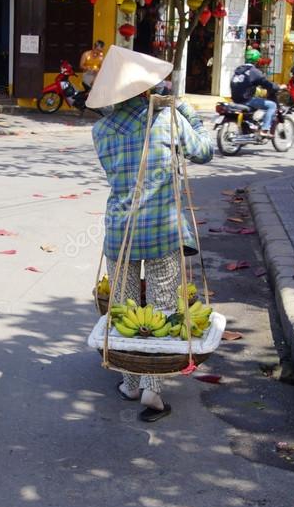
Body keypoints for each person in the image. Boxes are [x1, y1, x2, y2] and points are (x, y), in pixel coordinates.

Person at [87, 46, 213, 423]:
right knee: (161, 308)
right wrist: (182, 109)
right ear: (147, 88)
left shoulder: (101, 129)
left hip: (120, 232)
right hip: (161, 229)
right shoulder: (166, 121)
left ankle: (128, 382)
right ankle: (151, 389)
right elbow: (204, 151)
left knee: (124, 308)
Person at [229, 49, 281, 138]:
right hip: (246, 100)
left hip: (236, 99)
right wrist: (277, 87)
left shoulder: (239, 70)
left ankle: (251, 127)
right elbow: (266, 83)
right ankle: (264, 129)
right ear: (257, 61)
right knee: (272, 105)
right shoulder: (253, 71)